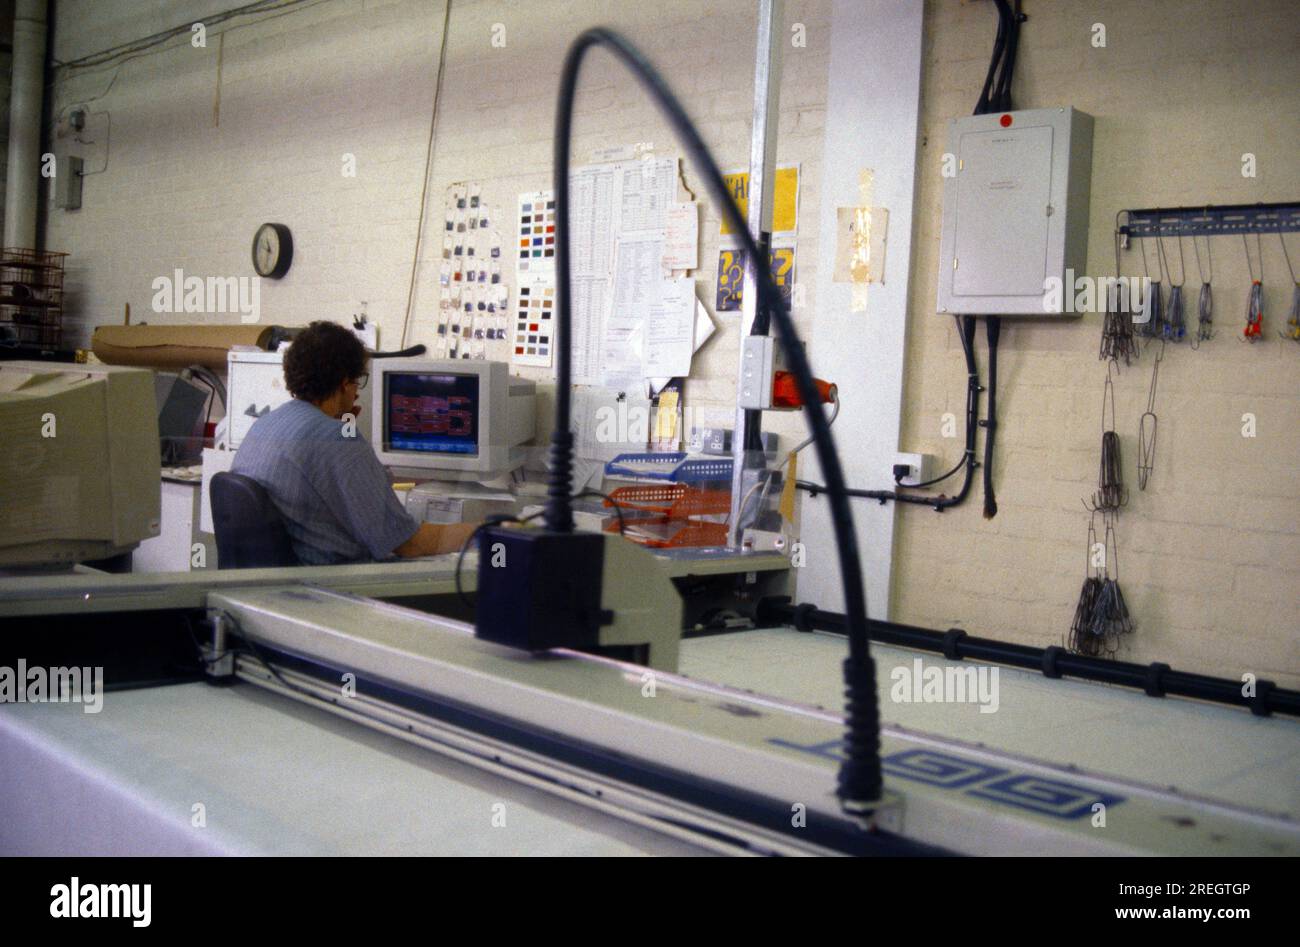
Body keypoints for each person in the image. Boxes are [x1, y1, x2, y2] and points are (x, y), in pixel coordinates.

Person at [231, 321, 477, 564]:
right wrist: (486, 530)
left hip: (270, 584)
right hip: (329, 587)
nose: (358, 391)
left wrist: (342, 424)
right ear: (344, 383)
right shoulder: (338, 440)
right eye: (358, 381)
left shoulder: (265, 424)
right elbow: (410, 544)